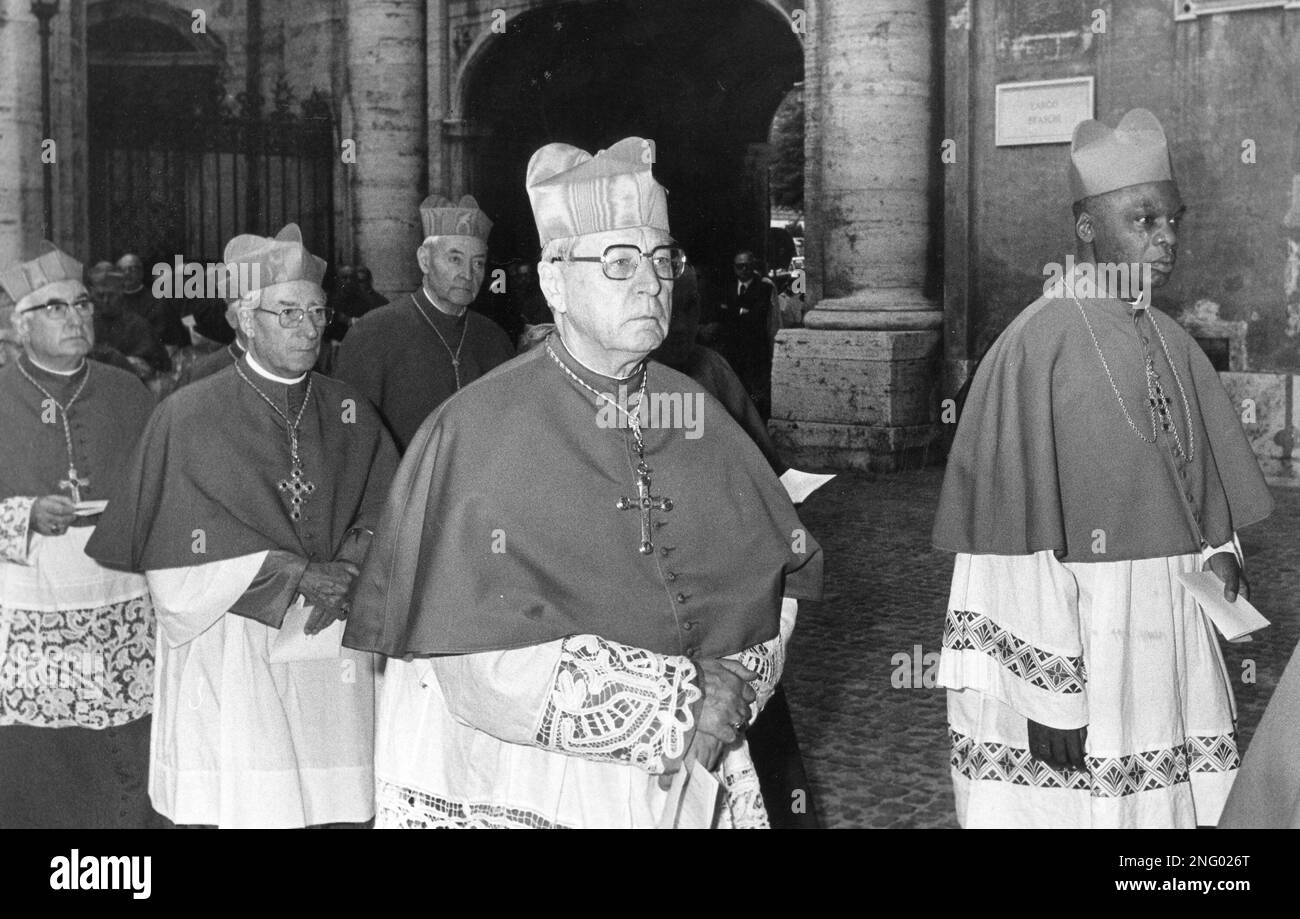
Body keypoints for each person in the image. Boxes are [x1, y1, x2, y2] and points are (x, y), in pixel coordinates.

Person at [343, 136, 822, 829]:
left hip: (687, 777)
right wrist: (677, 705)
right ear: (555, 282)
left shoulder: (700, 414)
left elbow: (772, 582)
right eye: (620, 262)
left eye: (663, 260)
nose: (653, 284)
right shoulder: (473, 434)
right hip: (533, 780)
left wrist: (733, 690)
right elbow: (477, 671)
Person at [932, 109, 1273, 828]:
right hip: (1086, 638)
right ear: (1087, 229)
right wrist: (1047, 691)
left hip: (1168, 637)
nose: (1167, 238)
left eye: (1172, 220)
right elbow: (1007, 542)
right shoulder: (1035, 347)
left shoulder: (1172, 341)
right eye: (1144, 219)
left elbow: (1196, 481)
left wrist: (1219, 553)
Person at [86, 225, 398, 828]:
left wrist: (354, 566)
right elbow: (172, 564)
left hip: (329, 637)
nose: (310, 329)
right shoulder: (189, 412)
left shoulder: (348, 407)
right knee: (250, 804)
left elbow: (386, 507)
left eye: (316, 311)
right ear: (245, 320)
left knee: (333, 802)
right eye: (288, 313)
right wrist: (296, 574)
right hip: (233, 640)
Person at [0, 243, 157, 828]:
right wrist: (21, 515)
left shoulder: (129, 393)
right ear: (21, 326)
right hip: (27, 604)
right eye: (56, 308)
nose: (76, 318)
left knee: (123, 734)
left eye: (83, 305)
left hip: (120, 595)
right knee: (41, 748)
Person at [335, 196, 514, 452]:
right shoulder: (372, 332)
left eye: (478, 263)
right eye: (455, 259)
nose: (467, 274)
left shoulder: (494, 339)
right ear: (424, 260)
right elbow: (350, 433)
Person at [87, 261, 171, 379]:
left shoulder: (138, 326)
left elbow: (156, 368)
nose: (106, 301)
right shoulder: (84, 323)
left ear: (121, 292)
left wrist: (121, 361)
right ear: (91, 293)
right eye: (100, 295)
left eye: (111, 295)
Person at [118, 253, 189, 351]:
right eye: (122, 270)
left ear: (141, 273)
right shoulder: (112, 300)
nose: (127, 273)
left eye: (132, 269)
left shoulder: (157, 301)